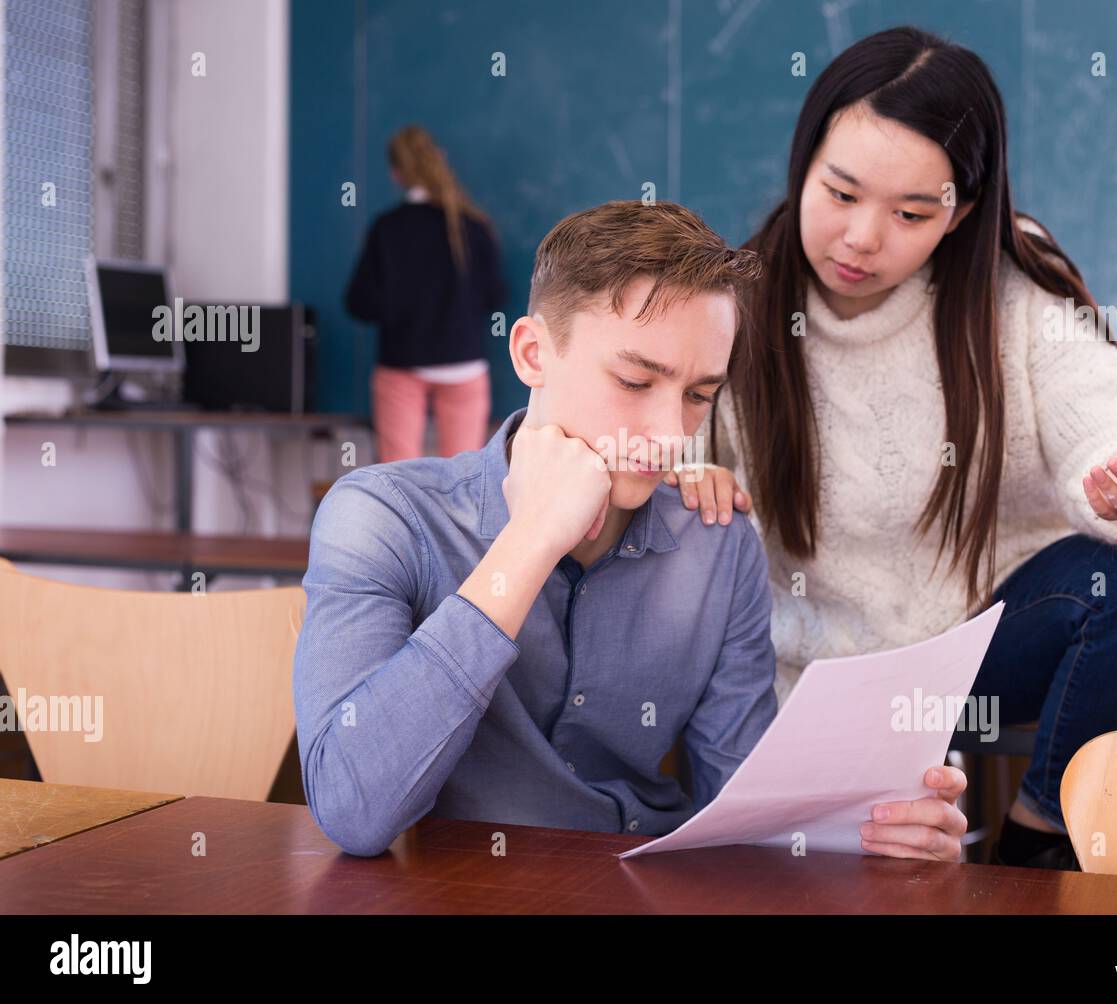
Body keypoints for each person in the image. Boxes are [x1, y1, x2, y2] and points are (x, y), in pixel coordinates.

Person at [666, 26, 1117, 870]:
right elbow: (652, 445)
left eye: (911, 213)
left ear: (959, 213)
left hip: (973, 658)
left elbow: (1096, 411)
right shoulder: (730, 302)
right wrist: (685, 474)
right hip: (821, 678)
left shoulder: (1011, 281)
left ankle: (1040, 841)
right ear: (802, 162)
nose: (861, 237)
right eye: (841, 193)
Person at [295, 200, 968, 859]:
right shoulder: (382, 517)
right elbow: (354, 812)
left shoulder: (716, 542)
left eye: (699, 395)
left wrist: (867, 831)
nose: (670, 434)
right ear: (532, 353)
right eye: (634, 380)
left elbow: (742, 810)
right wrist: (530, 540)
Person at [345, 125, 505, 462]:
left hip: (402, 363)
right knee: (466, 480)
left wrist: (400, 308)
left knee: (398, 477)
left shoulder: (387, 227)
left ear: (396, 173)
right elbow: (494, 295)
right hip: (464, 364)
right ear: (439, 159)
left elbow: (358, 301)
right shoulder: (473, 227)